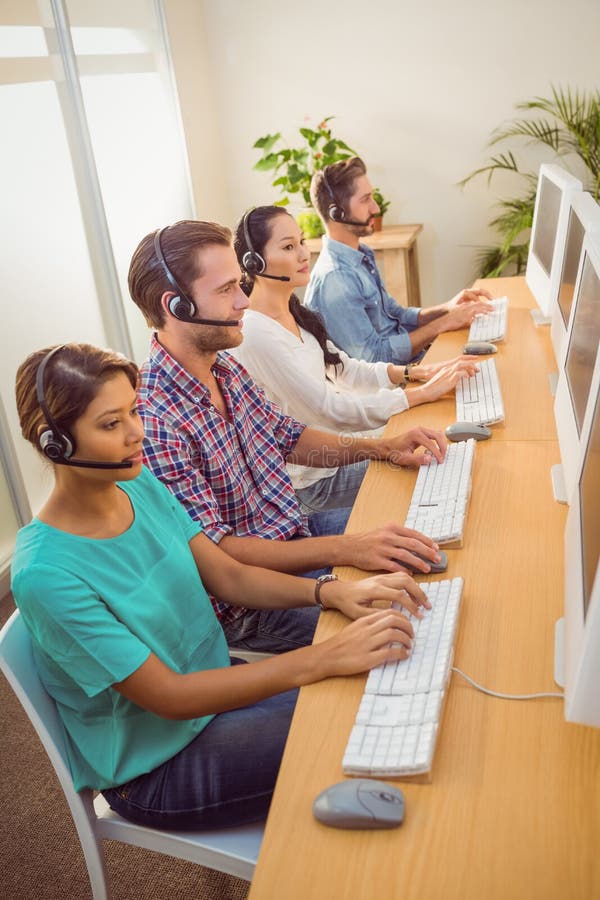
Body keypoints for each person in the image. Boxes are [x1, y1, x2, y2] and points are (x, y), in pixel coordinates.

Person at [11, 342, 427, 830]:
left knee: (377, 687)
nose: (136, 435)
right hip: (160, 763)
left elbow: (227, 576)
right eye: (110, 424)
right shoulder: (47, 573)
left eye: (132, 412)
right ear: (53, 443)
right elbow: (171, 697)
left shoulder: (135, 485)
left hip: (214, 692)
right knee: (362, 722)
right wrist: (324, 656)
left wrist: (327, 591)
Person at [128, 220, 447, 653]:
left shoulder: (223, 366)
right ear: (177, 306)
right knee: (412, 626)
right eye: (226, 291)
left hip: (295, 532)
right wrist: (348, 548)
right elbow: (227, 555)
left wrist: (383, 448)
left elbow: (289, 437)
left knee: (428, 536)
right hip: (254, 606)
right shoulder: (154, 420)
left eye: (240, 285)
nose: (244, 301)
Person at [231, 205, 480, 511]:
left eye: (301, 241)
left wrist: (417, 374)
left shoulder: (292, 310)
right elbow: (329, 409)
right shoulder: (256, 334)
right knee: (442, 462)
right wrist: (421, 394)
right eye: (288, 247)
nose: (303, 254)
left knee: (443, 438)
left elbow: (346, 370)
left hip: (345, 445)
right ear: (254, 262)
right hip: (316, 482)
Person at [305, 157, 495, 365]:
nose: (376, 208)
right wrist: (443, 324)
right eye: (365, 199)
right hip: (393, 385)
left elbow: (397, 315)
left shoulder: (360, 254)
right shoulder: (336, 279)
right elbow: (374, 359)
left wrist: (448, 309)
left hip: (412, 365)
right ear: (336, 213)